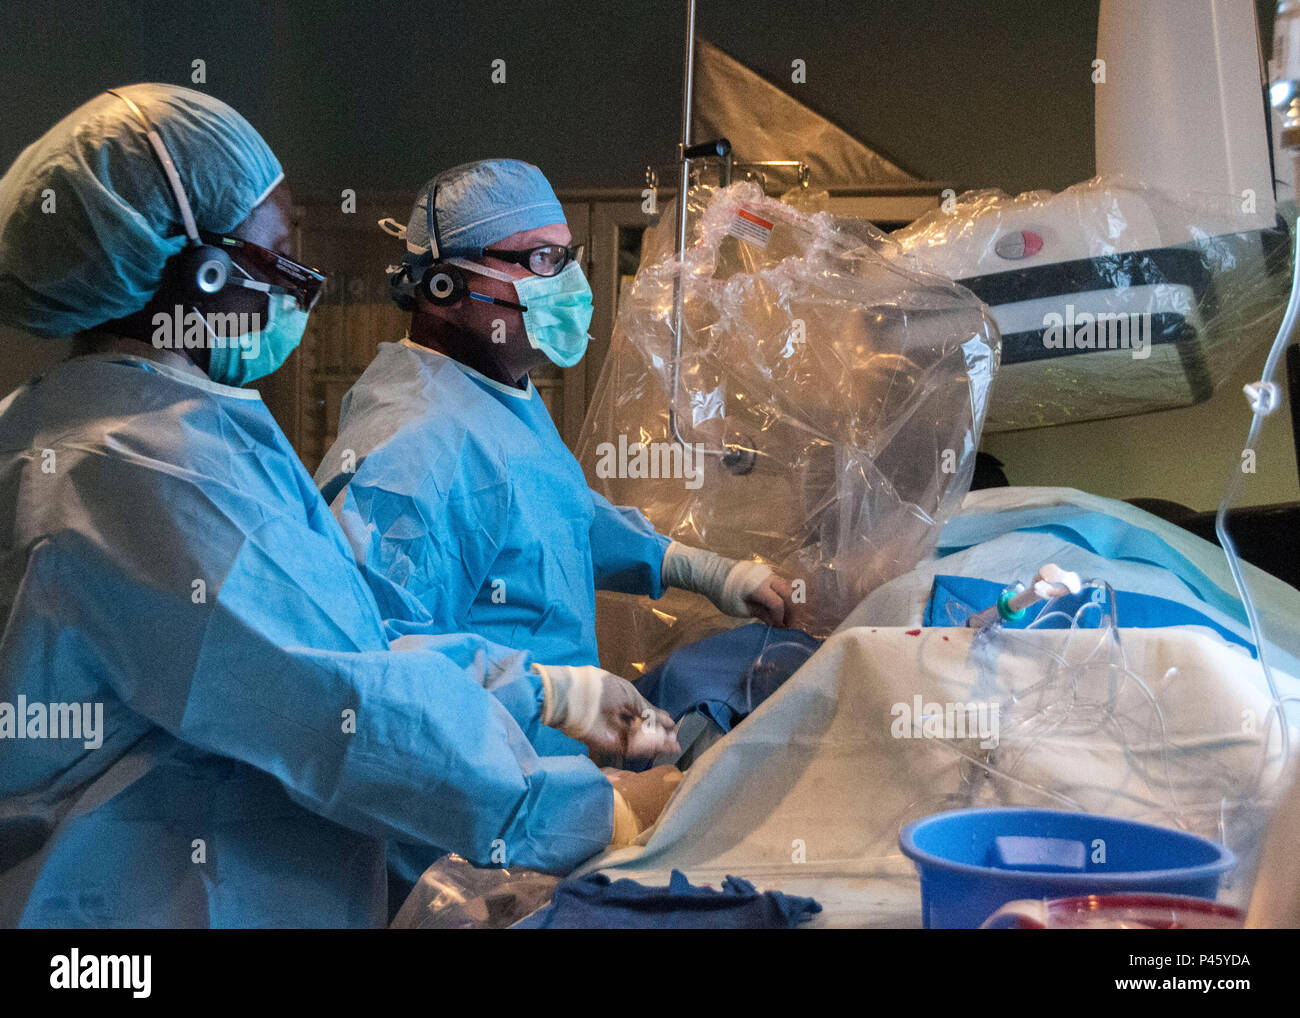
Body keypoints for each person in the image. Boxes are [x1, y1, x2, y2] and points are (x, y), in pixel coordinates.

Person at [0, 86, 677, 929]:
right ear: (200, 273)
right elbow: (341, 709)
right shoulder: (142, 471)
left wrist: (544, 689)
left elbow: (342, 636)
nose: (298, 293)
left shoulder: (132, 429)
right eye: (276, 261)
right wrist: (585, 812)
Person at [315, 159, 796, 675]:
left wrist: (692, 567)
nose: (568, 281)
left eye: (568, 256)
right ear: (446, 286)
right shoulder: (410, 449)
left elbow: (548, 512)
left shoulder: (493, 389)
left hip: (550, 751)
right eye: (541, 258)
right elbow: (384, 674)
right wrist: (558, 706)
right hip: (496, 753)